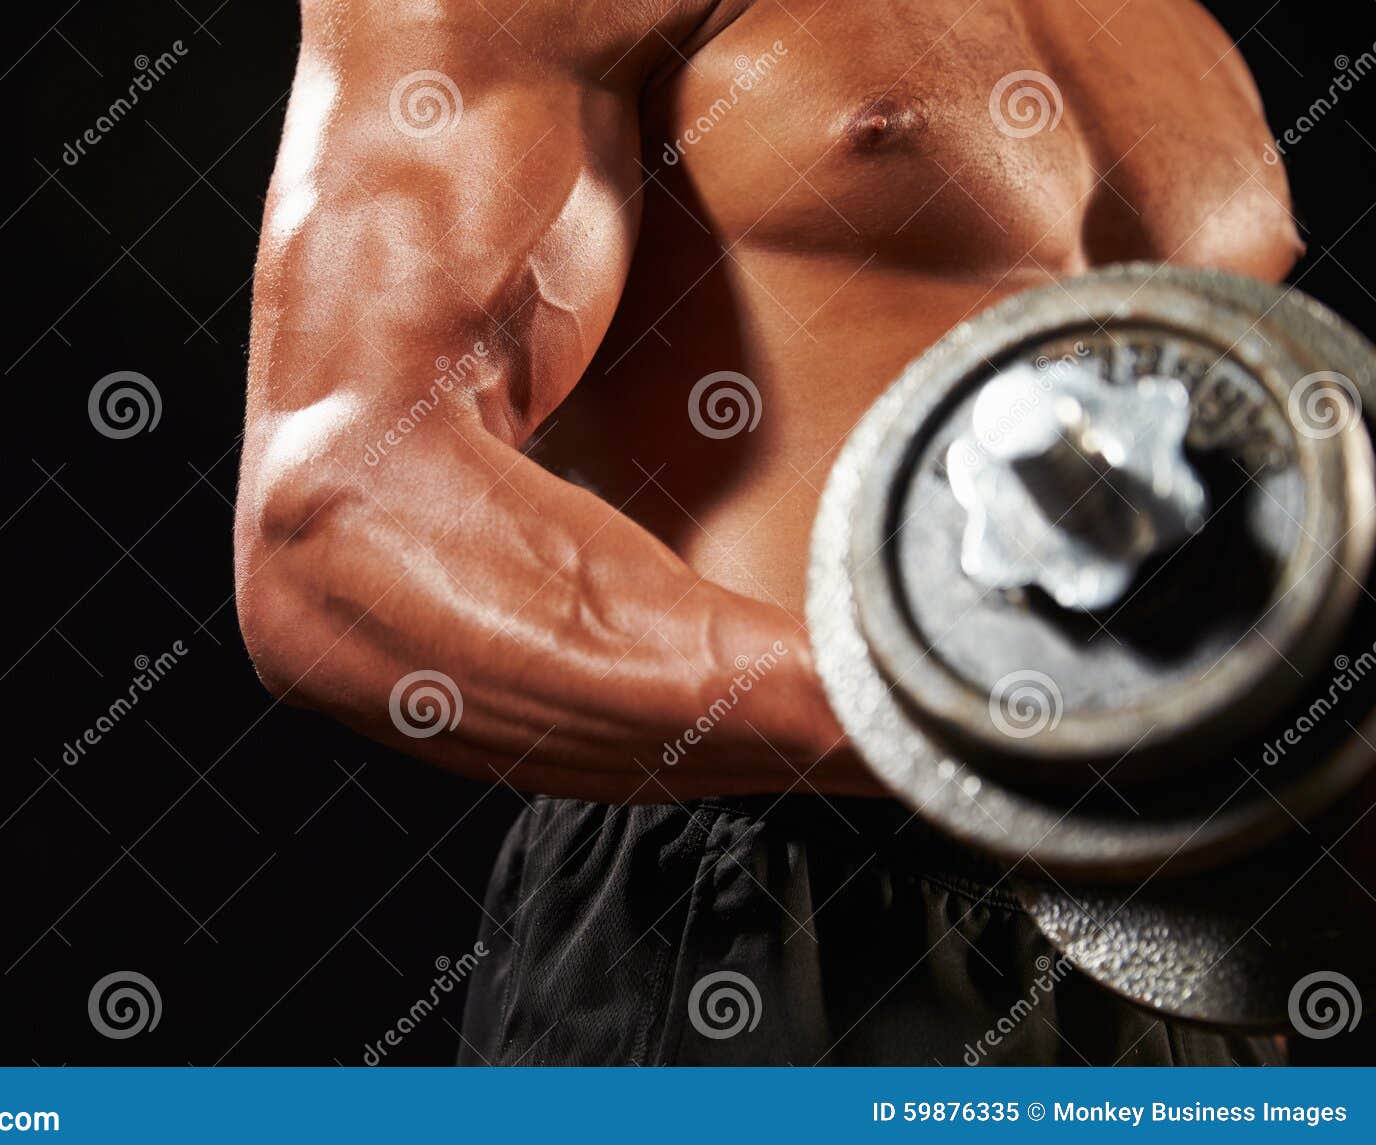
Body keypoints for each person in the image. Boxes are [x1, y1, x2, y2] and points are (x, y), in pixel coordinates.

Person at [234, 0, 1303, 1064]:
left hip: (1189, 944)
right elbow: (336, 517)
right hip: (761, 898)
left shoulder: (1182, 30)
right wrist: (944, 723)